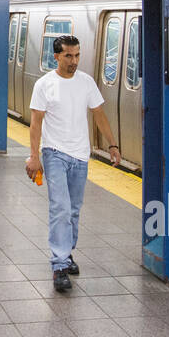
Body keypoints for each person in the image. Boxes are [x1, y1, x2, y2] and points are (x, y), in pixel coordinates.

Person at [26, 35, 120, 292]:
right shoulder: (45, 84)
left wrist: (112, 144)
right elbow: (36, 123)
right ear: (56, 56)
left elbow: (98, 113)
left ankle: (67, 253)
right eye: (68, 56)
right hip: (54, 153)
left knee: (74, 209)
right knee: (61, 208)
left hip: (80, 155)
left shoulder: (86, 82)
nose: (74, 61)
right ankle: (59, 266)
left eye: (77, 55)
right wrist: (34, 156)